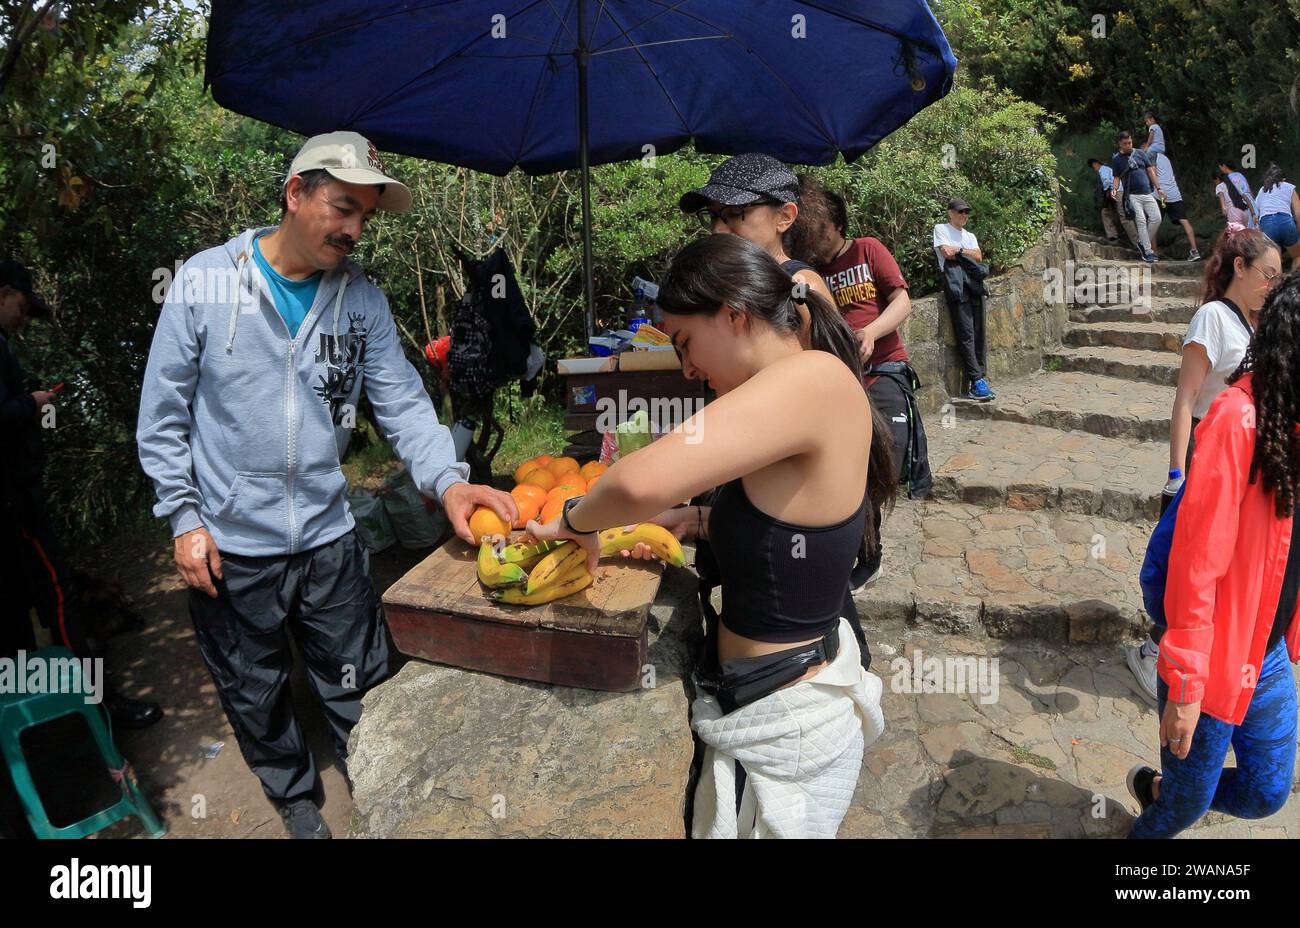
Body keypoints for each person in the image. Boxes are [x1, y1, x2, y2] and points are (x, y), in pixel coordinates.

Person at [136, 131, 517, 838]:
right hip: (229, 541)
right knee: (253, 688)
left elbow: (402, 401)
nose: (353, 229)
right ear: (295, 193)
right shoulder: (205, 282)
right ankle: (295, 800)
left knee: (357, 675)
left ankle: (371, 778)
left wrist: (448, 479)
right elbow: (161, 415)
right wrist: (183, 516)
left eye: (365, 216)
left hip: (327, 536)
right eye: (342, 206)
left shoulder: (360, 300)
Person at [525, 233, 891, 838]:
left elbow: (639, 481)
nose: (687, 368)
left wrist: (574, 519)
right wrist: (696, 522)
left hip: (786, 720)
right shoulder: (801, 388)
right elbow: (794, 524)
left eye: (686, 343)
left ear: (733, 312)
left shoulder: (814, 380)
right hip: (767, 701)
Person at [1127, 268, 1300, 839]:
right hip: (1216, 650)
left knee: (1266, 792)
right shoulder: (1237, 419)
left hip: (1267, 650)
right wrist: (1186, 685)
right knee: (1183, 808)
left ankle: (1159, 788)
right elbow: (1195, 569)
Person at [0, 260, 163, 727]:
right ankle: (102, 708)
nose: (23, 319)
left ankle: (36, 712)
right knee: (60, 602)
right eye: (22, 308)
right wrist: (27, 404)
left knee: (15, 610)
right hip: (17, 509)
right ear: (7, 292)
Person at [1129, 228, 1284, 700]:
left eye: (1279, 278)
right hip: (1208, 449)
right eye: (1268, 275)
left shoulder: (1256, 325)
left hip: (1245, 454)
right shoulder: (1212, 319)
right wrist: (1177, 473)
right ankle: (1155, 649)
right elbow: (1186, 401)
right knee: (1190, 557)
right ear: (1240, 267)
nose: (1273, 286)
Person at [788, 178, 932, 590]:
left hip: (885, 369)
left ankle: (870, 555)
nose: (811, 239)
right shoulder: (808, 274)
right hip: (837, 382)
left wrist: (870, 333)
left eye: (815, 229)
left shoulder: (868, 249)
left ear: (831, 222)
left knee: (881, 465)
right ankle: (854, 552)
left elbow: (901, 299)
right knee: (842, 470)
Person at [678, 152, 835, 344]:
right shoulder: (722, 286)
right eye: (712, 216)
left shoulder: (801, 287)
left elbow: (833, 369)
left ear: (785, 216)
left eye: (735, 213)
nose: (718, 229)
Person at [933, 197, 995, 400]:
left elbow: (978, 256)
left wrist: (958, 250)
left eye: (966, 212)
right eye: (960, 211)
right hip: (956, 286)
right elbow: (945, 253)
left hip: (973, 286)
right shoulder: (941, 228)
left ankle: (980, 377)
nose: (963, 215)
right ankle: (976, 380)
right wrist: (964, 254)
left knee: (979, 332)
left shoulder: (970, 235)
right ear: (950, 212)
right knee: (966, 332)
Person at [1111, 131, 1163, 263]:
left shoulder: (1140, 153)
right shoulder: (1117, 159)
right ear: (1120, 144)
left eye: (1130, 142)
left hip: (1147, 193)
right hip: (1132, 195)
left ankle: (1141, 243)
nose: (1128, 145)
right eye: (1125, 143)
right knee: (1141, 221)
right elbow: (1116, 177)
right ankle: (1148, 251)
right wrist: (1114, 189)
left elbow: (1150, 171)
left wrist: (1159, 188)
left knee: (1157, 218)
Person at [1151, 152, 1201, 261]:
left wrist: (1157, 189)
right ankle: (1195, 251)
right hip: (1174, 194)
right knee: (1185, 221)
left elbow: (1153, 174)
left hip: (1160, 194)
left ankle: (1154, 254)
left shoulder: (1152, 156)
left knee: (1152, 222)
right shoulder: (1165, 158)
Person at [1255, 163, 1300, 271]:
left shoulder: (1263, 190)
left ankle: (1277, 286)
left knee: (1275, 264)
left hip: (1266, 224)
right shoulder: (1289, 187)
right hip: (1285, 222)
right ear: (1283, 178)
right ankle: (1295, 285)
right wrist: (1298, 230)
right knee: (1298, 257)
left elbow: (1256, 213)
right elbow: (1298, 211)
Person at [1217, 160, 1259, 228]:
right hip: (1251, 203)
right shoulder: (1240, 175)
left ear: (1224, 166)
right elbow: (1250, 191)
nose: (1220, 170)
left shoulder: (1229, 179)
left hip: (1242, 203)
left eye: (1220, 167)